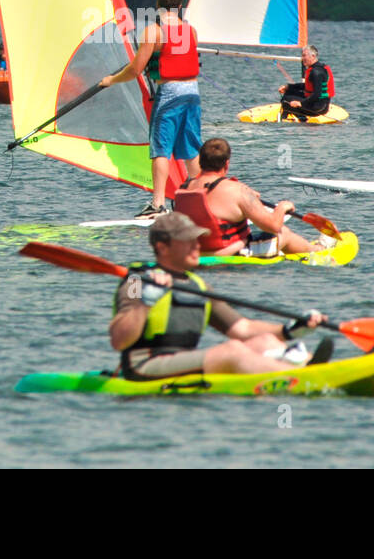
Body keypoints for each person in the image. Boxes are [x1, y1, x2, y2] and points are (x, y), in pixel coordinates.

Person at [109, 212, 335, 380]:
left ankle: (319, 369)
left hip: (181, 363)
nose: (196, 246)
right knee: (232, 351)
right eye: (187, 241)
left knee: (266, 341)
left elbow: (242, 329)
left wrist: (291, 329)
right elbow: (119, 340)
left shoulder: (197, 284)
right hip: (144, 367)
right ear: (163, 247)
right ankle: (305, 378)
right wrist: (146, 302)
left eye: (196, 239)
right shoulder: (137, 281)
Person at [99, 0, 201, 217]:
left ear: (158, 7)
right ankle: (199, 199)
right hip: (193, 93)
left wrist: (111, 80)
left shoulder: (153, 32)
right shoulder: (191, 31)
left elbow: (135, 69)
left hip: (171, 93)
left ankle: (158, 205)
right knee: (191, 149)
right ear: (180, 7)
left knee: (161, 149)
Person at [174, 138, 332, 256]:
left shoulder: (184, 189)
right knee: (283, 233)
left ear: (200, 161)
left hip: (197, 252)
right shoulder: (238, 191)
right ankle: (317, 250)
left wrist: (249, 199)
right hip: (230, 252)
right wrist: (282, 208)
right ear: (226, 164)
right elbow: (272, 226)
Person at [277, 44, 335, 121]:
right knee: (289, 92)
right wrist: (288, 86)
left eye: (305, 56)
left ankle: (296, 119)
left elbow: (317, 94)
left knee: (286, 100)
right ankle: (293, 115)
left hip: (319, 107)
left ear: (313, 56)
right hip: (319, 103)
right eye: (302, 56)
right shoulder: (316, 68)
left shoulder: (316, 72)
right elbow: (307, 86)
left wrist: (301, 103)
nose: (302, 58)